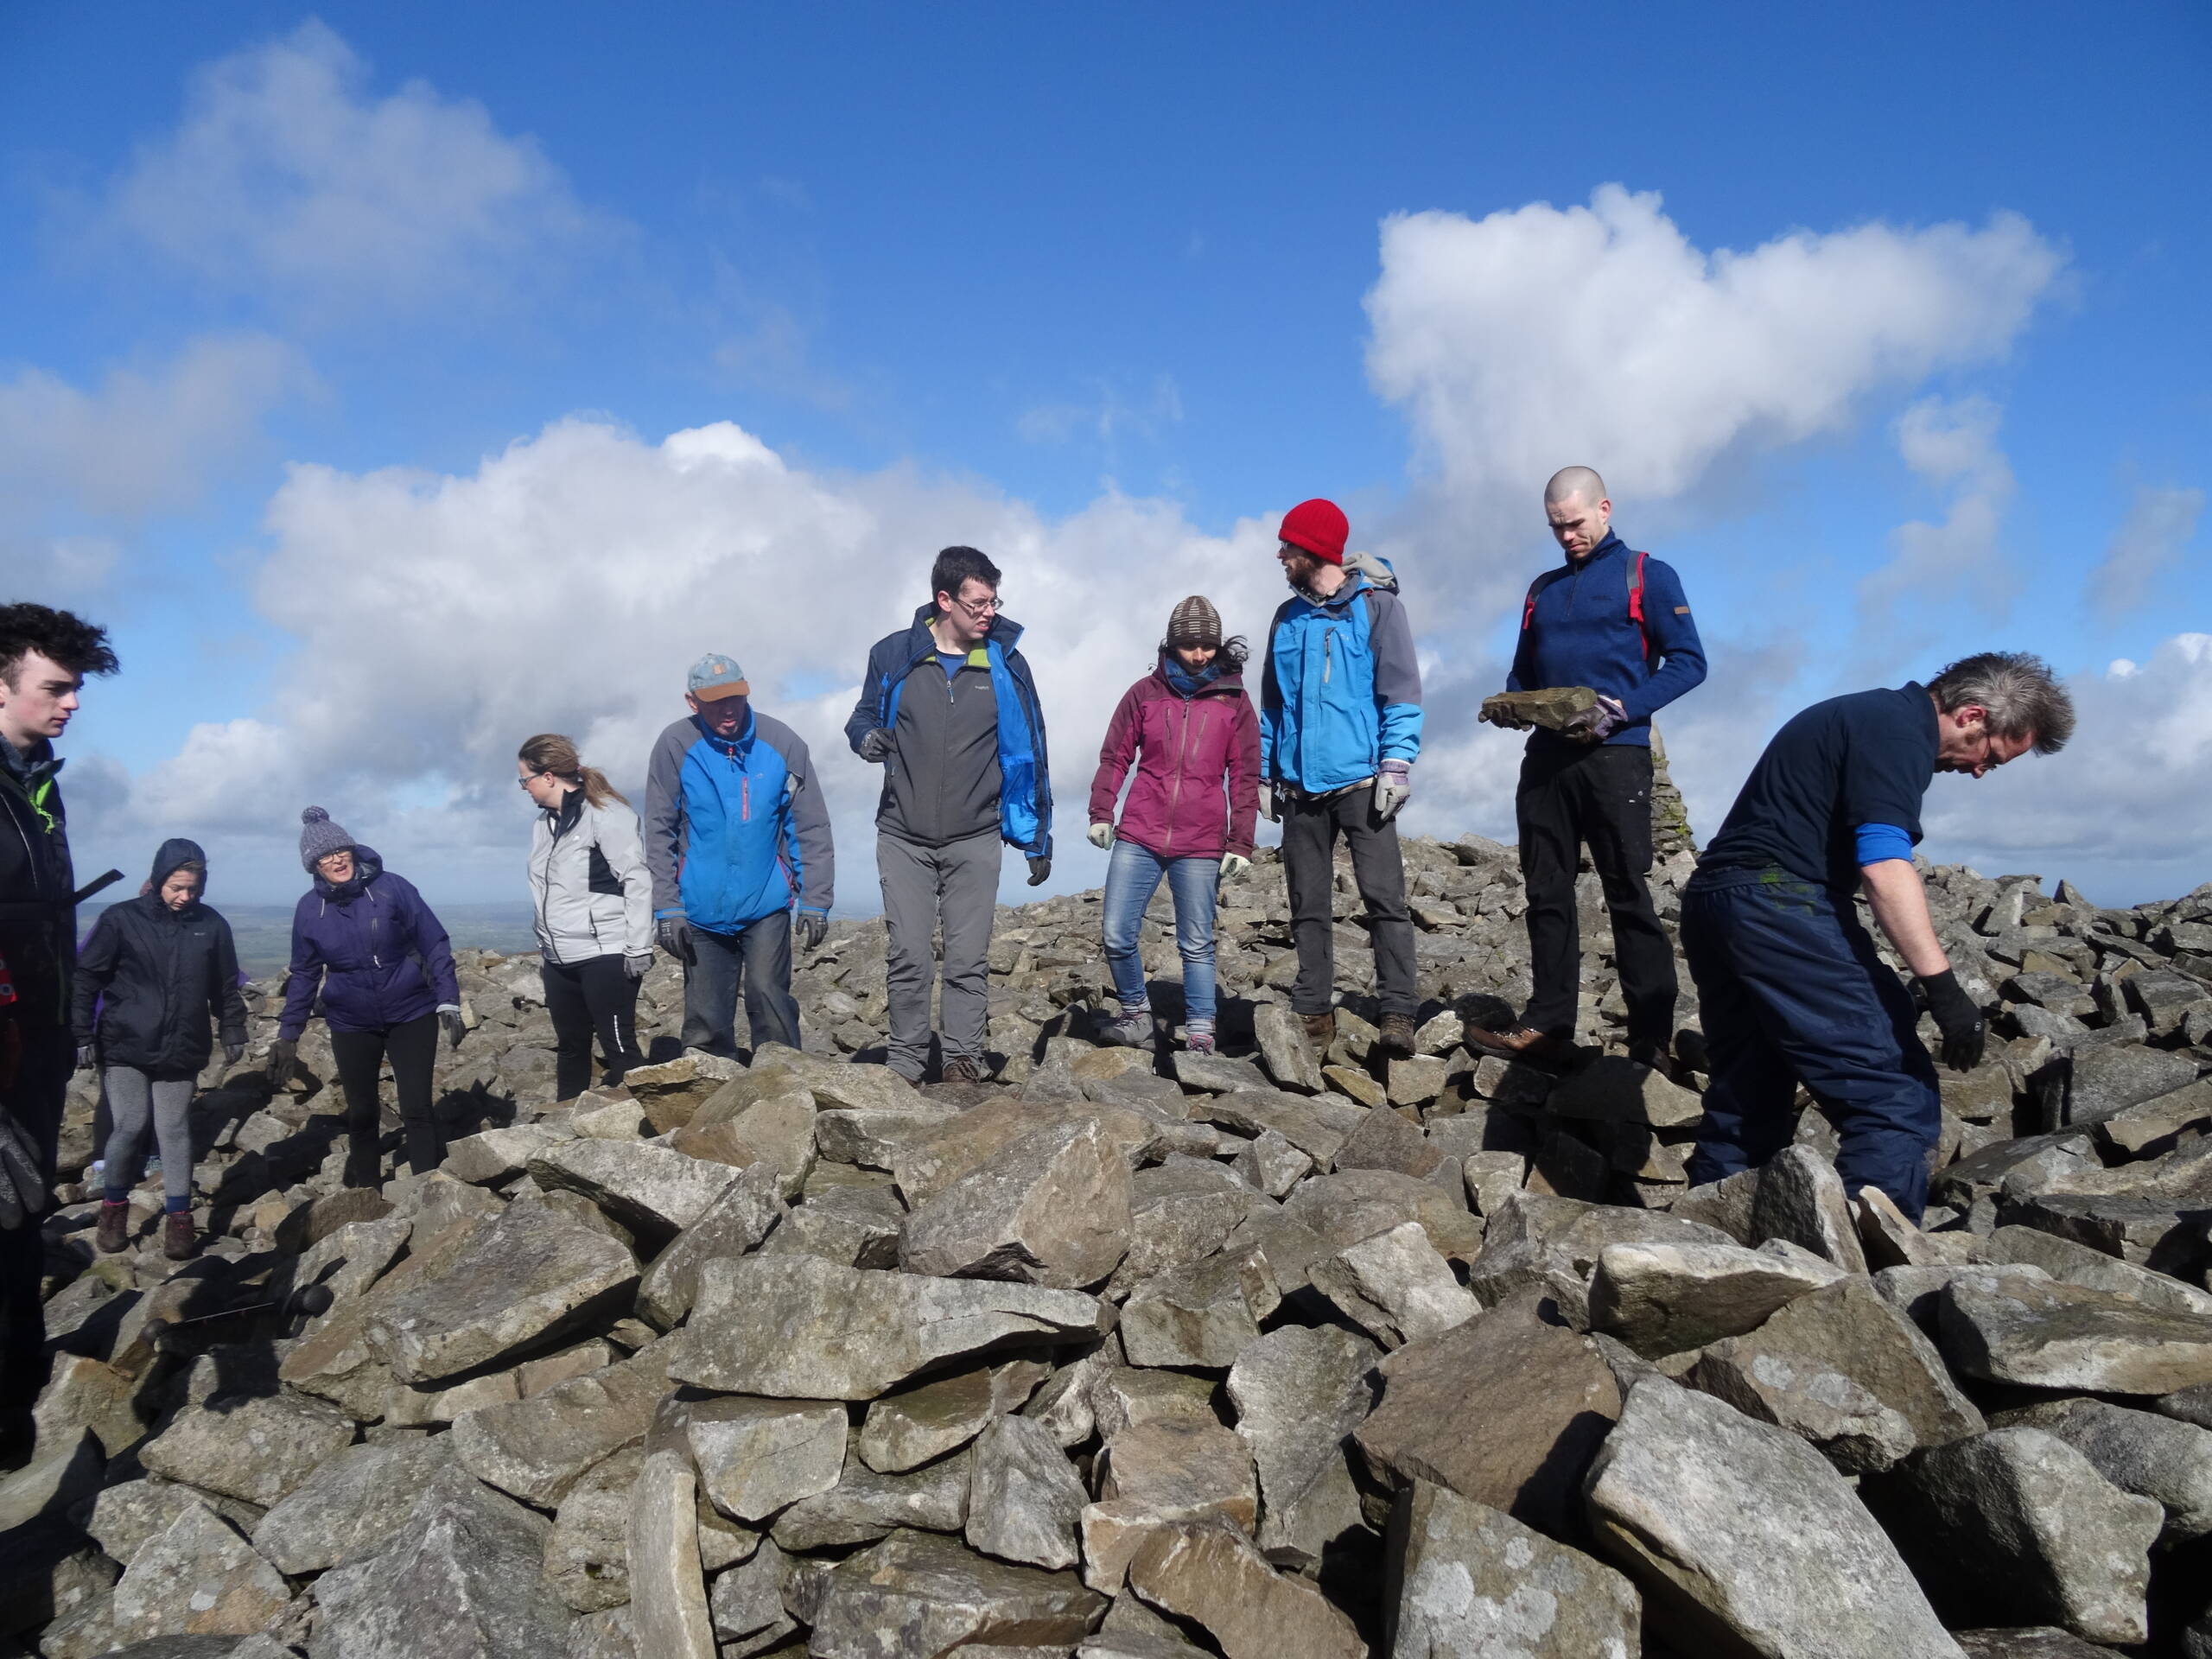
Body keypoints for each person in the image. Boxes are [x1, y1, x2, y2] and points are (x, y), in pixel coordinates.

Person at [1681, 652, 2075, 1221]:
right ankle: (1868, 1275)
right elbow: (1884, 862)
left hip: (1717, 900)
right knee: (1893, 1094)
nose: (1981, 771)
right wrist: (1943, 990)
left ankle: (1702, 1253)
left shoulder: (1862, 714)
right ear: (1971, 715)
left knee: (1750, 1091)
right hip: (1779, 903)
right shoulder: (1897, 731)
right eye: (1992, 756)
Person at [1472, 467, 1708, 1070]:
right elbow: (1524, 672)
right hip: (1547, 759)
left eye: (1575, 523)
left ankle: (1650, 1038)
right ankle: (1549, 1025)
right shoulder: (1542, 589)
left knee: (1628, 894)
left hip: (1617, 756)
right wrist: (1510, 704)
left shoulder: (1647, 575)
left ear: (1605, 509)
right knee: (1546, 891)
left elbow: (1688, 662)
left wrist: (1626, 709)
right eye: (1556, 526)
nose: (1566, 536)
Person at [846, 546, 1052, 1084]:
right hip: (902, 835)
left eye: (994, 600)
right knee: (910, 955)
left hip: (975, 836)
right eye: (979, 602)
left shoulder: (1006, 663)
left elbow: (1033, 751)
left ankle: (963, 1059)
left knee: (967, 958)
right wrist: (867, 738)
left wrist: (1038, 837)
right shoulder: (895, 655)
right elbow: (861, 716)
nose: (990, 612)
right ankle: (907, 1061)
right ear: (945, 599)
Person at [0, 602, 118, 1461]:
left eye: (75, 688)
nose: (71, 702)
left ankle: (15, 1391)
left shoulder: (38, 779)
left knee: (23, 1203)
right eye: (56, 687)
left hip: (35, 1037)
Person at [1257, 499, 1422, 1058]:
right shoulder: (1286, 617)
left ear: (1317, 551)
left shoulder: (1377, 609)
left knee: (1385, 899)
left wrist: (1397, 763)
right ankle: (1313, 1011)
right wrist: (1264, 771)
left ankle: (1398, 1011)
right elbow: (1273, 706)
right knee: (1307, 902)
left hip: (1363, 782)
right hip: (1300, 787)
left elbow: (1399, 691)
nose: (1281, 556)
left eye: (1290, 547)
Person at [1087, 597, 1261, 1056]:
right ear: (1172, 645)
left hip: (1202, 841)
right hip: (1140, 831)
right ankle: (1137, 1016)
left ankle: (1202, 1031)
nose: (1199, 654)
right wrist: (1101, 812)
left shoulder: (1235, 702)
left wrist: (1241, 842)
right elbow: (1115, 756)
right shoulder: (1144, 693)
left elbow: (1245, 776)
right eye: (1189, 645)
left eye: (1207, 645)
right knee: (1116, 933)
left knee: (1197, 942)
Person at [645, 656, 834, 1059]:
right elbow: (658, 830)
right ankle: (707, 1108)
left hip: (765, 900)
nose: (728, 709)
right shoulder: (675, 745)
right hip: (699, 907)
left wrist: (816, 900)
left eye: (736, 697)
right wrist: (667, 907)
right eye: (715, 701)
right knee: (706, 1022)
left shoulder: (783, 743)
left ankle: (784, 1092)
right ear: (692, 702)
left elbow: (809, 826)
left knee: (769, 998)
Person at [270, 808, 465, 1186]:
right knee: (361, 1112)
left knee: (416, 1107)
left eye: (341, 850)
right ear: (313, 866)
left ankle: (429, 1192)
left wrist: (449, 999)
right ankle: (367, 1195)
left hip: (411, 1011)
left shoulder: (393, 888)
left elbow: (434, 942)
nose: (336, 859)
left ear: (353, 850)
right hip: (350, 1021)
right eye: (324, 856)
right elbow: (305, 973)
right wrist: (288, 1034)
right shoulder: (310, 910)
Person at [73, 841, 247, 1259]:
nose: (185, 896)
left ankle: (179, 1220)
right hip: (124, 1045)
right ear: (158, 879)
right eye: (176, 887)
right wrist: (81, 1033)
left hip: (182, 1046)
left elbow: (224, 985)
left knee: (174, 1130)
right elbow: (86, 977)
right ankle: (114, 1209)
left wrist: (233, 1027)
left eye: (193, 888)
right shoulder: (121, 919)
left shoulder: (211, 925)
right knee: (130, 1125)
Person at [519, 734, 653, 1100]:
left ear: (548, 776)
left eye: (525, 780)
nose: (524, 789)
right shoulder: (541, 826)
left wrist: (639, 947)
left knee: (618, 1044)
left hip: (605, 952)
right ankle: (563, 1127)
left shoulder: (607, 814)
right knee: (570, 1046)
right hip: (558, 956)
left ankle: (644, 1122)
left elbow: (637, 878)